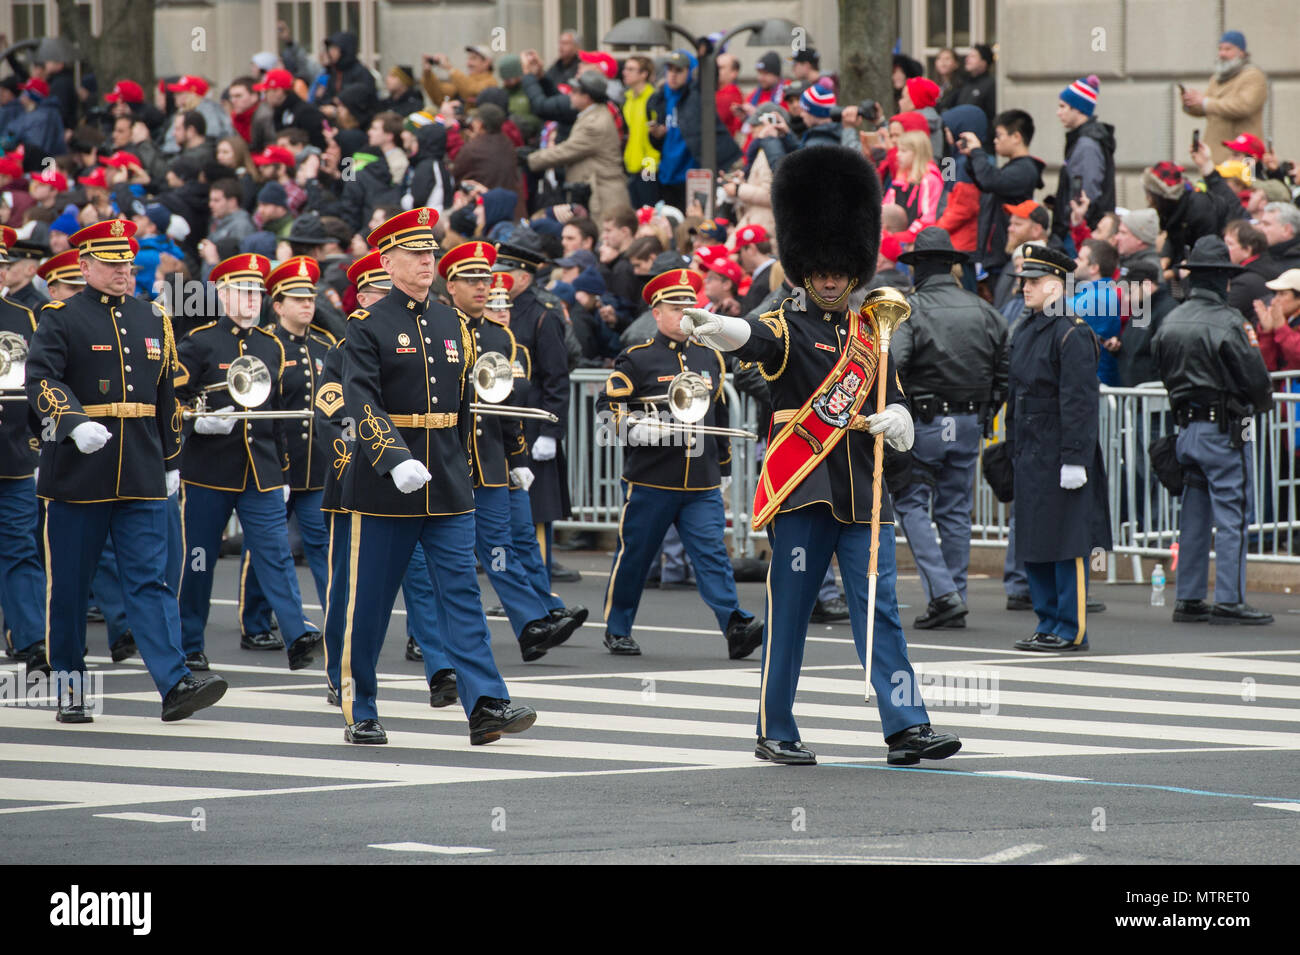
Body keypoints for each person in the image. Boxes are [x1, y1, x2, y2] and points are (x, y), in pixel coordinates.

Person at [679, 145, 963, 767]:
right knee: (791, 615)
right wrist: (714, 326)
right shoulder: (785, 323)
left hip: (863, 488)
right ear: (804, 268)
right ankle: (774, 726)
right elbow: (753, 340)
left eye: (841, 271)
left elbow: (898, 397)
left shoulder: (871, 332)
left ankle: (906, 726)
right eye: (822, 270)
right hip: (805, 486)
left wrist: (900, 420)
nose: (832, 279)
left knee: (879, 608)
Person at [338, 208, 536, 745]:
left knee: (462, 597)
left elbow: (467, 406)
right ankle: (362, 705)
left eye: (430, 252)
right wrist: (393, 457)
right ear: (387, 262)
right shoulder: (367, 327)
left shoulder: (452, 323)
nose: (427, 261)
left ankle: (486, 704)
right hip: (387, 484)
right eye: (414, 253)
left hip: (447, 483)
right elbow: (360, 400)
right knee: (372, 603)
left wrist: (467, 470)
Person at [23, 219, 227, 721]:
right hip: (79, 468)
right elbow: (41, 379)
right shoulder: (60, 316)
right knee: (71, 585)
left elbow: (165, 398)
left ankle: (174, 681)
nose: (122, 272)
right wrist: (71, 422)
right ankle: (71, 686)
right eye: (112, 264)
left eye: (127, 264)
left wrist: (171, 461)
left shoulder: (152, 317)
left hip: (139, 467)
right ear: (85, 265)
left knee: (149, 579)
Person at [316, 249, 461, 708]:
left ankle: (440, 670)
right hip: (364, 479)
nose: (386, 302)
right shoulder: (350, 342)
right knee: (354, 593)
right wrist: (374, 465)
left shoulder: (432, 325)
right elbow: (336, 415)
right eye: (377, 293)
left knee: (423, 583)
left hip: (424, 482)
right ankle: (343, 677)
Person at [595, 267, 764, 659]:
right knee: (635, 556)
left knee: (713, 556)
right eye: (676, 307)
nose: (686, 313)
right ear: (656, 312)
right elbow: (607, 412)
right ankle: (618, 627)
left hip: (700, 481)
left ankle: (734, 624)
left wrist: (722, 469)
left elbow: (719, 416)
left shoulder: (710, 356)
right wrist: (637, 428)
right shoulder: (637, 359)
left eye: (691, 305)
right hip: (652, 479)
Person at [174, 253, 322, 671]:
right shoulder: (199, 342)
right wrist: (196, 424)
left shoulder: (270, 345)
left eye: (256, 292)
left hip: (262, 469)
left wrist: (286, 472)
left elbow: (276, 418)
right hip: (210, 470)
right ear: (222, 295)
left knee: (275, 553)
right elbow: (174, 399)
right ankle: (189, 644)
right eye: (243, 291)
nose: (252, 299)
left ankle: (296, 634)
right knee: (199, 558)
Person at [440, 240, 585, 660]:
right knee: (438, 555)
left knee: (499, 545)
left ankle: (529, 623)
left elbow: (507, 409)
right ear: (451, 285)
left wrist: (517, 459)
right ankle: (424, 635)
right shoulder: (437, 327)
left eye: (486, 278)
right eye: (472, 279)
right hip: (446, 459)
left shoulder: (498, 336)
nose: (482, 287)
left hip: (487, 460)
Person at [1152, 235, 1274, 625]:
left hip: (1187, 428)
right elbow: (1257, 383)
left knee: (1194, 515)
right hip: (1224, 430)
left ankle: (1188, 597)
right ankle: (1229, 599)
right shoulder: (1229, 321)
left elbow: (1163, 371)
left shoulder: (1170, 320)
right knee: (1232, 513)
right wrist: (1253, 406)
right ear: (1224, 280)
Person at [892, 228, 1009, 629]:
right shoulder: (984, 310)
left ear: (918, 269)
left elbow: (894, 364)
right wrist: (985, 413)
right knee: (956, 510)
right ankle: (953, 595)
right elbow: (1004, 370)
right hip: (968, 421)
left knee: (910, 503)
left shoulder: (913, 309)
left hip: (927, 423)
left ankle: (943, 595)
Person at [1004, 244, 1111, 652]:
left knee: (1066, 542)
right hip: (1031, 450)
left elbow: (1079, 403)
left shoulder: (1072, 332)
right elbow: (1017, 395)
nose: (1025, 288)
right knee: (1034, 541)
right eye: (1024, 281)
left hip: (1061, 451)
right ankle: (1047, 620)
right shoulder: (1028, 328)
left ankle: (1070, 627)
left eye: (1032, 282)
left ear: (1054, 285)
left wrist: (1075, 460)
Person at [235, 256, 336, 649]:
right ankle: (255, 622)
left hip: (315, 468)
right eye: (297, 299)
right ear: (277, 306)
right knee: (267, 547)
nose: (307, 305)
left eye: (310, 298)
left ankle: (338, 617)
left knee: (324, 547)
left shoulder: (325, 345)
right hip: (276, 465)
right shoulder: (264, 345)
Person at [493, 239, 572, 580]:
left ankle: (535, 588)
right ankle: (514, 586)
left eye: (504, 273)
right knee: (504, 517)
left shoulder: (543, 315)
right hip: (503, 428)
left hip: (534, 428)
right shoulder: (498, 311)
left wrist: (552, 433)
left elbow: (557, 378)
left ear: (523, 277)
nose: (496, 280)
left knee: (534, 516)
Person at [0, 228, 43, 665]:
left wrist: (46, 440)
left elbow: (37, 386)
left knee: (20, 549)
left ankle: (31, 640)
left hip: (12, 454)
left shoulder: (24, 318)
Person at [526, 72, 628, 222]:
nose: (570, 95)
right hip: (597, 191)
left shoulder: (594, 123)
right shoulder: (592, 115)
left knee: (603, 239)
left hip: (604, 196)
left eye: (574, 91)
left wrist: (531, 158)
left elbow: (568, 151)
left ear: (587, 97)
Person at [961, 109, 1045, 282]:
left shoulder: (1024, 169)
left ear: (1016, 137)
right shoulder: (1014, 167)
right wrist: (971, 157)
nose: (995, 140)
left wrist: (977, 152)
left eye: (999, 135)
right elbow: (985, 182)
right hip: (995, 255)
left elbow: (990, 181)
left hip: (1004, 256)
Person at [1180, 31, 1267, 164]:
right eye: (1220, 49)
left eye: (1228, 49)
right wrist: (1190, 103)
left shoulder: (1254, 76)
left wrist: (1205, 102)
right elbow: (1205, 108)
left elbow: (1244, 106)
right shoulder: (1217, 78)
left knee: (1249, 183)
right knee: (1214, 184)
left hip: (1246, 156)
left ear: (1241, 52)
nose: (1222, 54)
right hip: (1216, 155)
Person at [1052, 75, 1116, 245]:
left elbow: (1087, 195)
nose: (1059, 113)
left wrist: (1069, 219)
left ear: (1078, 109)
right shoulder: (1085, 141)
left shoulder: (1087, 145)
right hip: (1079, 230)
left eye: (1063, 107)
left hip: (1078, 233)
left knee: (1073, 273)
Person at [954, 44, 996, 122]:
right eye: (968, 56)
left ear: (983, 62)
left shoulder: (991, 84)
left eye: (972, 56)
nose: (967, 59)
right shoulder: (964, 83)